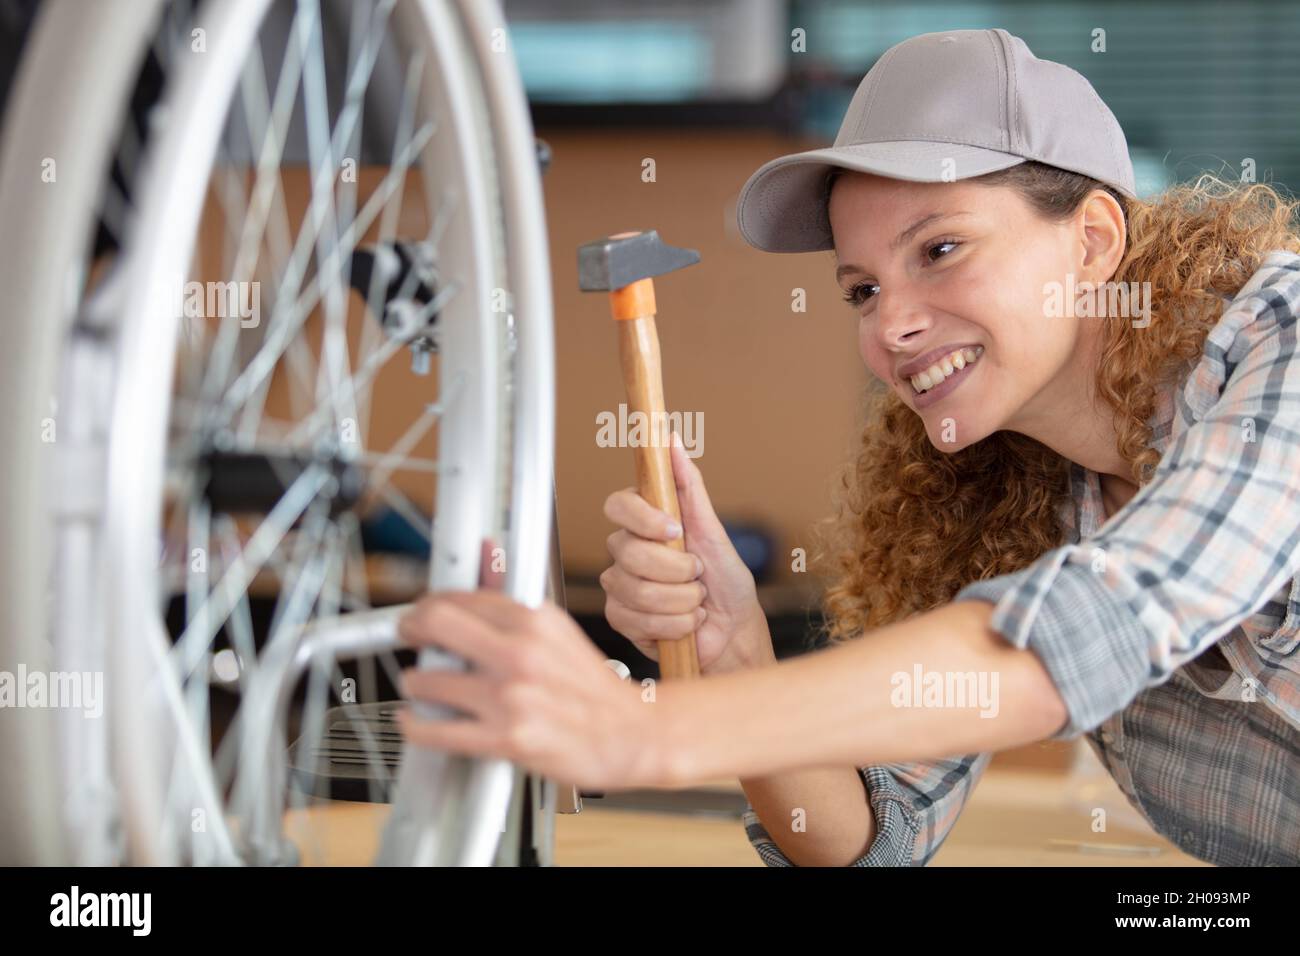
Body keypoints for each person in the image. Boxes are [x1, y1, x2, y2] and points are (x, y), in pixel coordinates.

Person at [396, 28, 1300, 866]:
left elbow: (1112, 616)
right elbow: (882, 835)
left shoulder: (1281, 339)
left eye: (940, 249)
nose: (894, 327)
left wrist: (658, 732)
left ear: (1094, 239)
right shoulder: (1003, 493)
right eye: (861, 290)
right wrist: (737, 651)